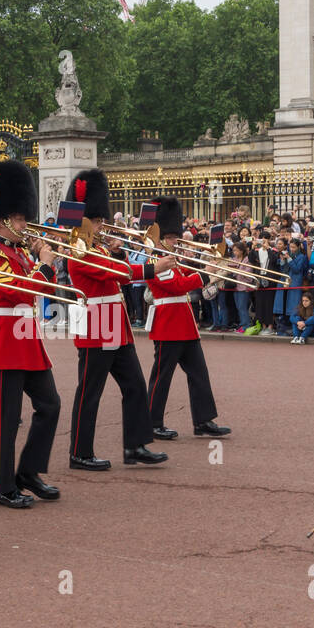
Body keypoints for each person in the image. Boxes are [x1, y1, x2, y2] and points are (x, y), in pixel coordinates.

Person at [64, 169, 173, 471]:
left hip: (115, 324)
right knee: (90, 392)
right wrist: (152, 268)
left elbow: (114, 271)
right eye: (97, 221)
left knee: (135, 386)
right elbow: (116, 273)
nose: (102, 226)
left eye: (100, 220)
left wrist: (117, 252)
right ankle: (79, 452)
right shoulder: (79, 250)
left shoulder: (96, 247)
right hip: (96, 325)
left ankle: (135, 445)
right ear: (85, 220)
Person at [0, 159, 63, 508]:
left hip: (27, 335)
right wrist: (43, 263)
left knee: (50, 405)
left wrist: (44, 264)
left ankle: (28, 471)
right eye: (22, 218)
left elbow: (43, 289)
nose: (26, 224)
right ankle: (2, 485)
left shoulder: (18, 252)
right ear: (4, 220)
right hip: (7, 337)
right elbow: (20, 291)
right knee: (8, 417)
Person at [143, 196, 231, 442]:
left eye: (174, 236)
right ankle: (152, 422)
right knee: (161, 378)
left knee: (199, 374)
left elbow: (185, 275)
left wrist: (209, 264)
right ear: (159, 237)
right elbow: (176, 285)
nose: (174, 241)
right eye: (170, 237)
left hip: (185, 325)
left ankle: (203, 420)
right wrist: (206, 275)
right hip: (167, 326)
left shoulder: (173, 259)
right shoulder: (154, 261)